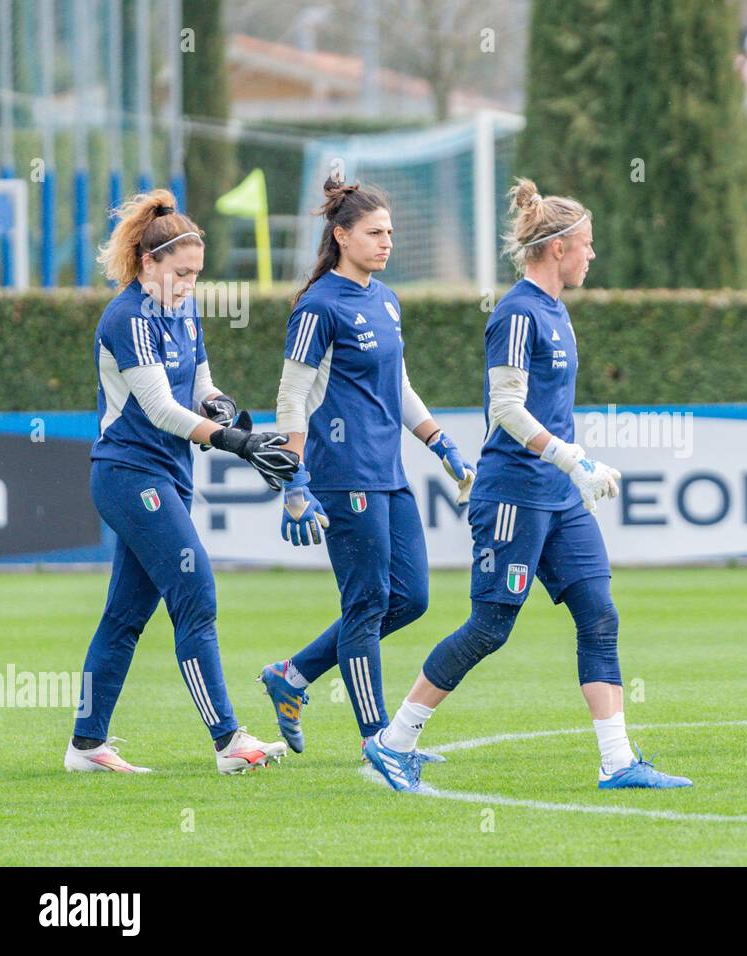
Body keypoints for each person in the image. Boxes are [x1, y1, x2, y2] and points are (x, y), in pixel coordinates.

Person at [362, 178, 692, 792]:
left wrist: (572, 469)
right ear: (557, 248)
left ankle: (617, 761)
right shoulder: (516, 312)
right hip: (514, 495)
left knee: (599, 614)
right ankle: (393, 740)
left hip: (561, 497)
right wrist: (573, 458)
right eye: (587, 244)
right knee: (491, 627)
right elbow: (506, 409)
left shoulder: (557, 310)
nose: (593, 255)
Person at [68, 189, 298, 774]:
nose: (190, 284)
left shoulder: (182, 309)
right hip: (128, 476)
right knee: (196, 594)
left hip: (168, 474)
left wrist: (221, 407)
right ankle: (229, 743)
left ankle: (86, 746)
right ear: (149, 264)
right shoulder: (127, 317)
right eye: (181, 272)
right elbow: (159, 409)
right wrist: (232, 441)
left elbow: (198, 384)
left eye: (197, 274)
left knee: (123, 617)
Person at [257, 176, 475, 757]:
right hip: (342, 473)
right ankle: (378, 740)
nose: (386, 243)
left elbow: (397, 384)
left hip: (389, 472)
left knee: (412, 597)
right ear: (341, 235)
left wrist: (440, 442)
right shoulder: (318, 306)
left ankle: (293, 675)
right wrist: (293, 481)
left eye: (391, 234)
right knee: (366, 604)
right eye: (375, 233)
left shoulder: (385, 299)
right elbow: (291, 398)